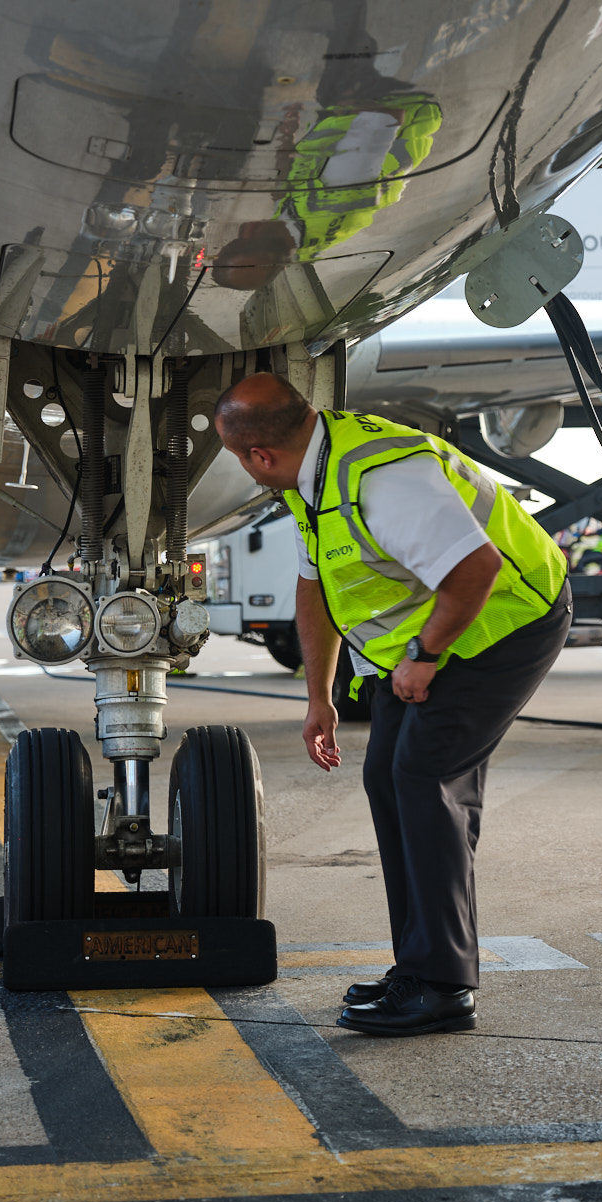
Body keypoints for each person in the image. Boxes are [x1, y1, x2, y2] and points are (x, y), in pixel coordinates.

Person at [214, 374, 571, 1037]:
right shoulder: (310, 477)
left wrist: (426, 656)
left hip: (504, 623)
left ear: (258, 456)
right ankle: (420, 968)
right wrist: (318, 696)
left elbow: (477, 569)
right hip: (435, 632)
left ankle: (442, 987)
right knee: (389, 776)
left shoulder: (383, 477)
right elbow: (313, 585)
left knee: (424, 777)